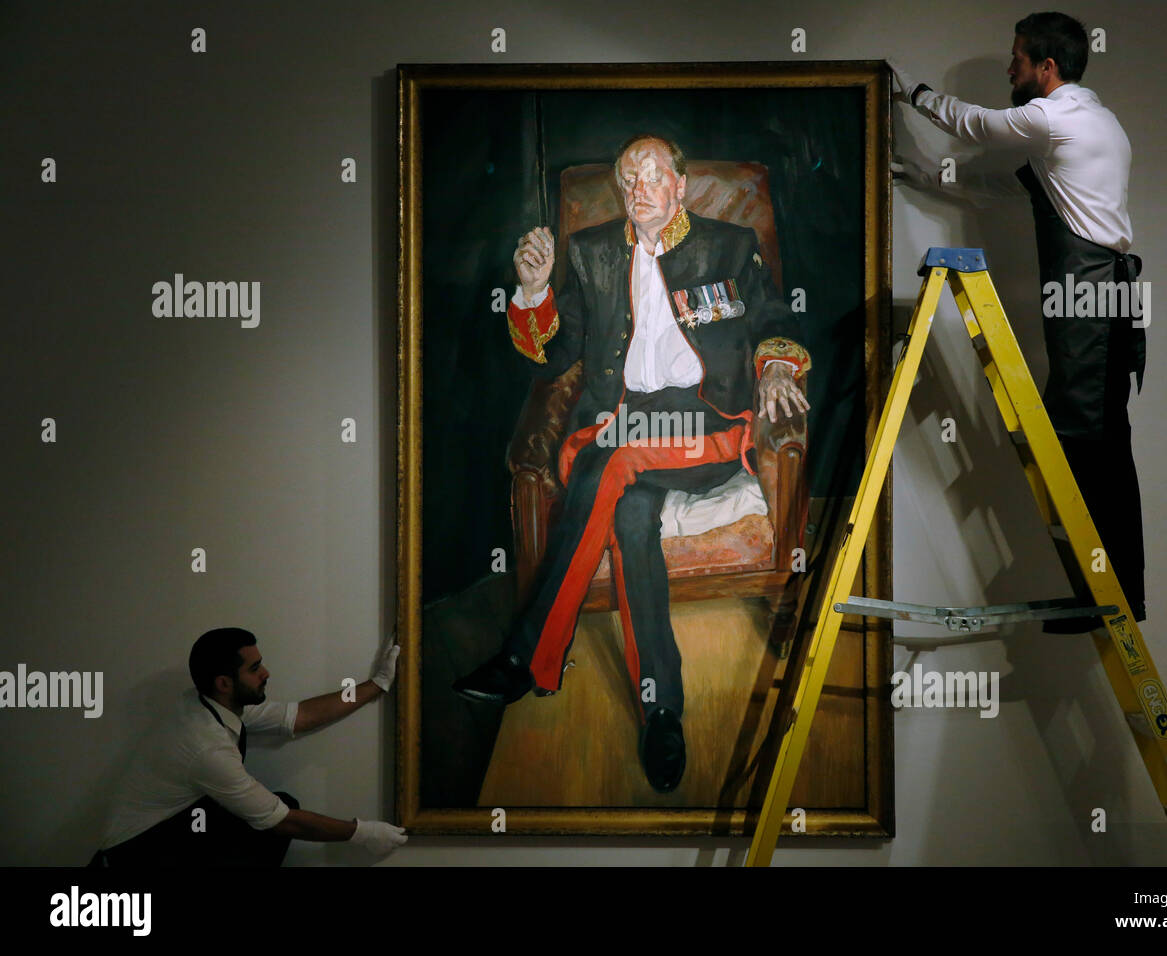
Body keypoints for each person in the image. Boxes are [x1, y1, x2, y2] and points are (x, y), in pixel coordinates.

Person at [454, 134, 811, 792]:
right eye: (627, 180)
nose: (637, 190)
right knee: (632, 516)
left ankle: (524, 656)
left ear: (680, 184)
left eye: (651, 177)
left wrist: (776, 368)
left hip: (704, 422)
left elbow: (771, 316)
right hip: (622, 421)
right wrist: (533, 294)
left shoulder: (729, 245)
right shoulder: (590, 254)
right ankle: (662, 709)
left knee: (613, 459)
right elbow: (557, 359)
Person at [891, 11, 1146, 631]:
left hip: (1086, 292)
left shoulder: (1052, 117)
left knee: (1083, 440)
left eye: (1018, 59)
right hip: (1114, 293)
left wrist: (914, 95)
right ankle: (1122, 591)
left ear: (1047, 68)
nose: (1011, 69)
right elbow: (1022, 189)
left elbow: (980, 125)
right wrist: (927, 178)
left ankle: (1101, 596)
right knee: (1108, 439)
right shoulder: (1099, 122)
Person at [90, 627, 407, 866]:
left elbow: (299, 717)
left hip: (170, 830)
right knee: (273, 822)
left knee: (273, 811)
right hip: (135, 855)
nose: (266, 673)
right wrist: (362, 833)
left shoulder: (211, 703)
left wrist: (376, 684)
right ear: (224, 683)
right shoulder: (205, 746)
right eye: (254, 669)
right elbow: (284, 820)